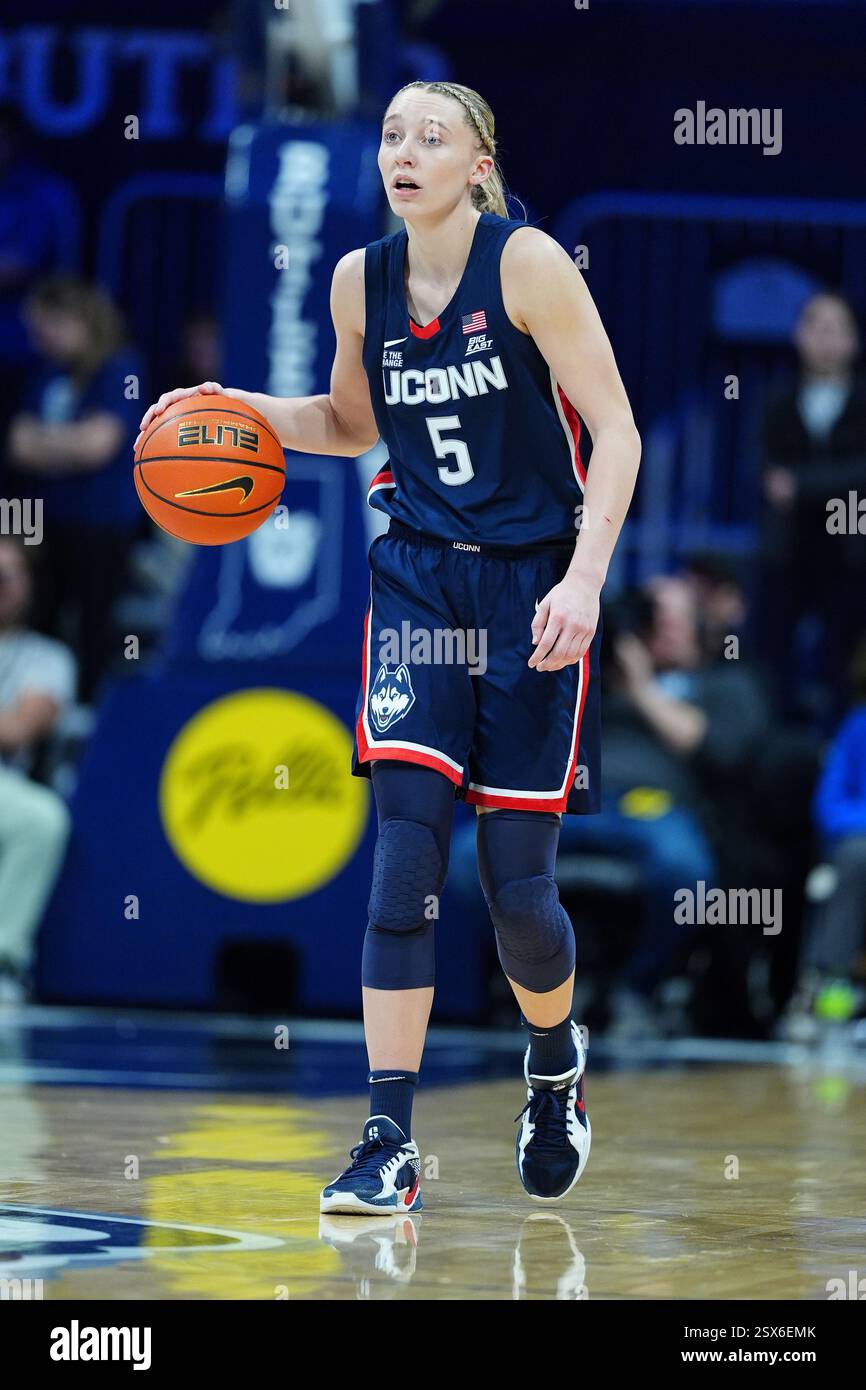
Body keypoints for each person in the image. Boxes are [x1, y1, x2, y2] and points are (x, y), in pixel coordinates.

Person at [136, 80, 641, 1211]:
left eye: (430, 137)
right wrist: (247, 410)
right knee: (403, 865)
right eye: (390, 135)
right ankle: (385, 1141)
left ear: (476, 163)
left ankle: (552, 1063)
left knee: (517, 896)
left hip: (529, 591)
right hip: (414, 576)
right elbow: (351, 424)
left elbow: (615, 429)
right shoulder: (355, 277)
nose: (402, 152)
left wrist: (585, 579)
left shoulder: (527, 266)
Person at [7, 276, 145, 703]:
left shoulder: (120, 367)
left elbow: (99, 445)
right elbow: (17, 445)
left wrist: (47, 443)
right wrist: (68, 443)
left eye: (45, 326)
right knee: (34, 617)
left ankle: (84, 714)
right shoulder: (43, 369)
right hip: (34, 516)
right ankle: (25, 707)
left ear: (73, 320)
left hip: (100, 519)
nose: (37, 338)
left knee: (94, 623)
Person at [758, 292, 866, 725]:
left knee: (844, 659)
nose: (826, 339)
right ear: (799, 336)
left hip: (853, 551)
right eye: (816, 327)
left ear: (855, 340)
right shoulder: (777, 400)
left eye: (837, 329)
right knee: (774, 660)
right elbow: (767, 476)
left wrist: (802, 486)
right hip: (790, 550)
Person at [0, 535, 74, 1002]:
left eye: (7, 576)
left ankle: (4, 957)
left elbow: (20, 729)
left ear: (28, 585)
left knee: (41, 819)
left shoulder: (48, 657)